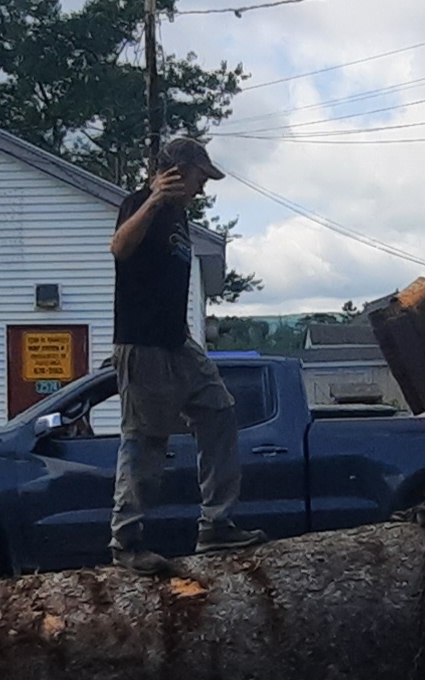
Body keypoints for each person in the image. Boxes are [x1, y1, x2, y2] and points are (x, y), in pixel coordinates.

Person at [107, 137, 266, 576]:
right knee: (145, 439)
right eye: (199, 178)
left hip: (177, 341)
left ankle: (215, 525)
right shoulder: (142, 204)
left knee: (219, 410)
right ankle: (127, 543)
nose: (202, 188)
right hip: (143, 343)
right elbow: (119, 248)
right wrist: (155, 198)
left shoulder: (179, 218)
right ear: (176, 173)